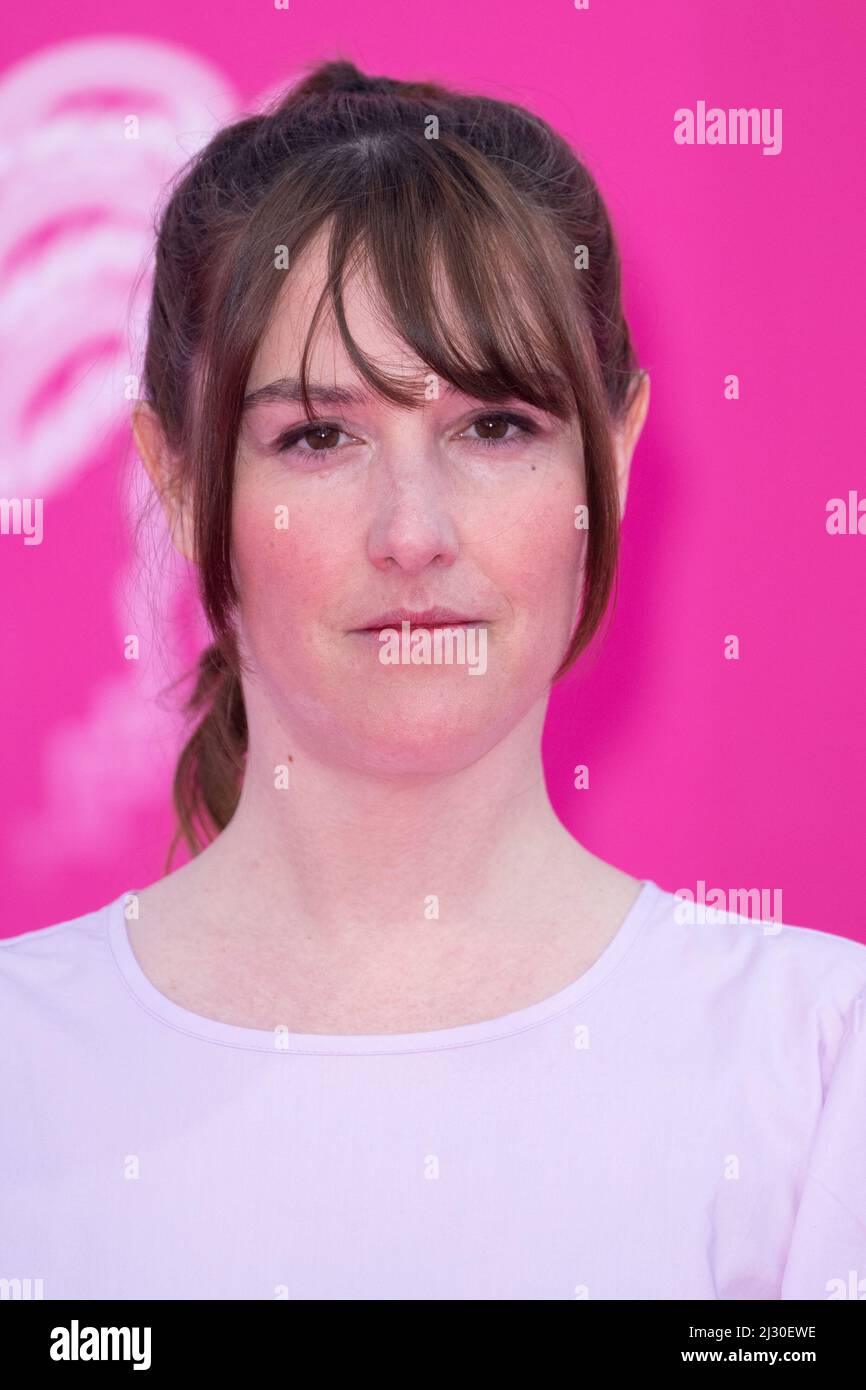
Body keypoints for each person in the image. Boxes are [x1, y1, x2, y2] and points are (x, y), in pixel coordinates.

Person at [1, 59, 864, 1303]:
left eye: (493, 426)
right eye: (318, 435)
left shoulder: (816, 1066)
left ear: (608, 459)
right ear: (181, 477)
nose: (413, 531)